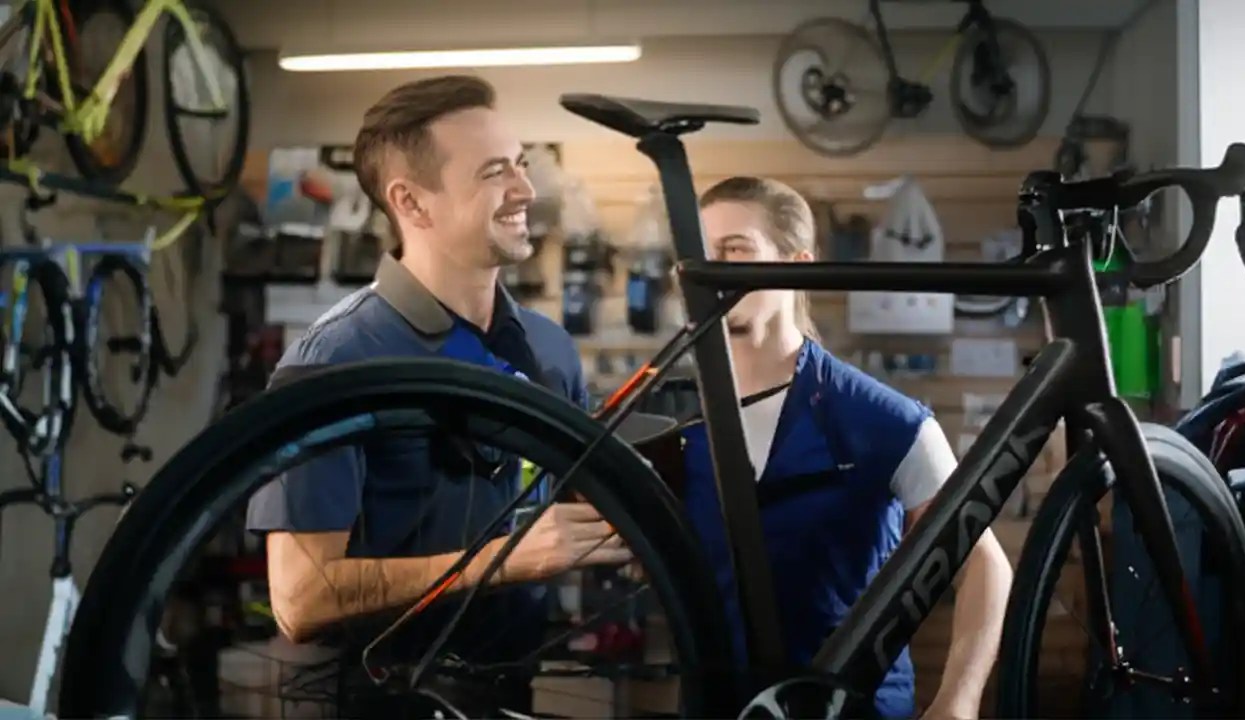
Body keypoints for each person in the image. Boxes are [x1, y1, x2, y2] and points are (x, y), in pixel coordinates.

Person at [243, 75, 632, 713]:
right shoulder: (333, 363)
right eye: (493, 173)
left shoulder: (548, 350)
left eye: (523, 166)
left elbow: (578, 505)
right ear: (412, 204)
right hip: (375, 702)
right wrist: (499, 562)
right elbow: (298, 600)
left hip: (507, 693)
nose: (527, 190)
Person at [678, 176, 1013, 719]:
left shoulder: (879, 418)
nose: (710, 273)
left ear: (797, 264)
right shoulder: (676, 421)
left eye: (734, 251)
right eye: (699, 255)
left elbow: (985, 562)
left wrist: (959, 699)